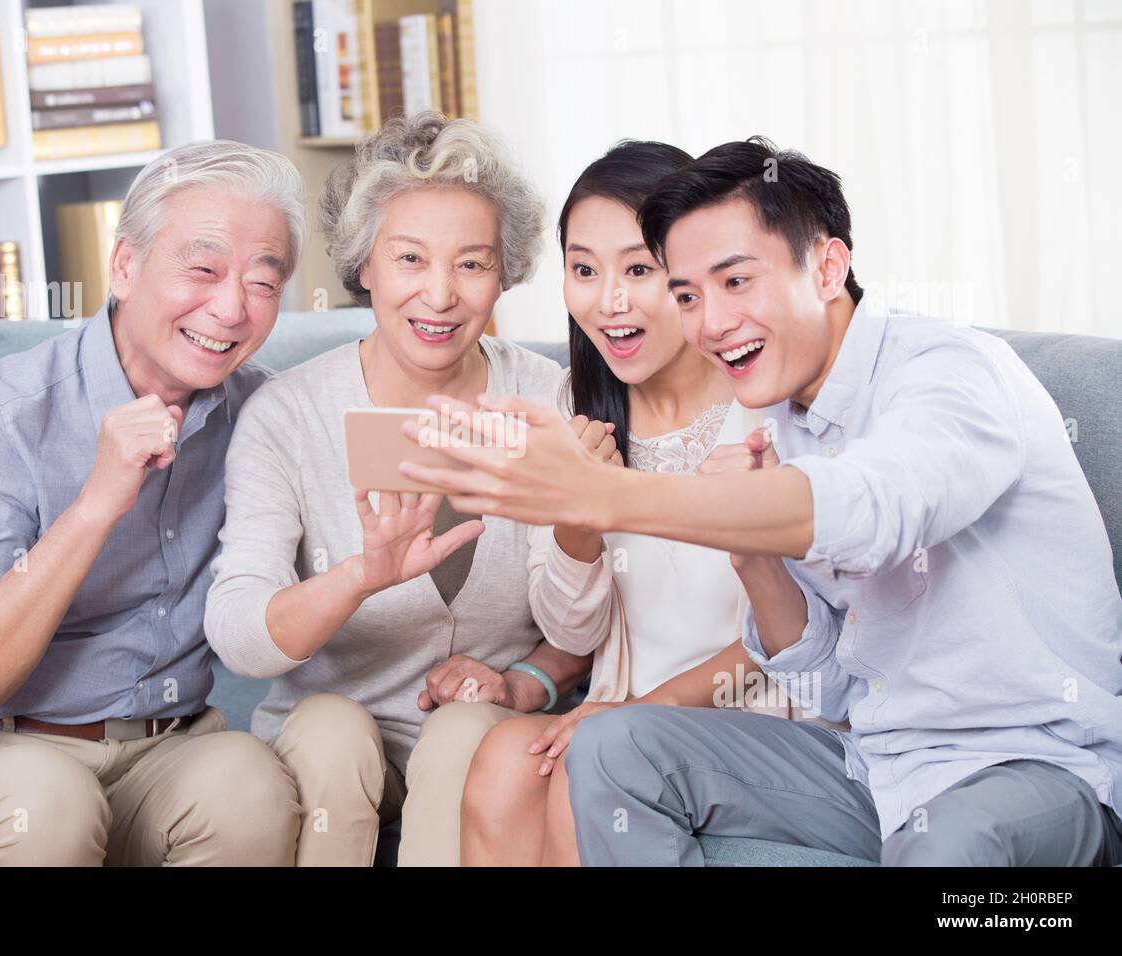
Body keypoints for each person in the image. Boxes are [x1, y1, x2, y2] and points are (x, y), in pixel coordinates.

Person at [404, 136, 1122, 866]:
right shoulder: (786, 420)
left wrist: (609, 496)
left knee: (954, 842)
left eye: (736, 281)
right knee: (612, 746)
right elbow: (830, 688)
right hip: (875, 763)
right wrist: (754, 562)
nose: (710, 323)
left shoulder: (949, 372)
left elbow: (876, 505)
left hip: (1029, 764)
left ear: (828, 266)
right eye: (688, 295)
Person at [0, 141, 310, 866]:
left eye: (263, 282)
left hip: (155, 760)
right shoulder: (7, 413)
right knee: (45, 799)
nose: (230, 307)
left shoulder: (263, 415)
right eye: (204, 269)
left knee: (249, 784)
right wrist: (97, 503)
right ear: (125, 265)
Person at [204, 112, 592, 867]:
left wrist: (523, 680)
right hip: (332, 752)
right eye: (410, 258)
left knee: (461, 726)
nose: (440, 295)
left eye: (472, 264)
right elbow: (240, 636)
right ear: (366, 266)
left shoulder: (552, 404)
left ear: (505, 272)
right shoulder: (286, 414)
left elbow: (591, 623)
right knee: (330, 728)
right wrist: (360, 577)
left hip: (484, 733)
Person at [460, 140, 792, 867]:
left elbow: (793, 640)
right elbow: (569, 630)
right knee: (501, 761)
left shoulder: (764, 411)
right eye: (583, 270)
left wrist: (639, 716)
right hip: (615, 707)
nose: (607, 302)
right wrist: (577, 516)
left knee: (584, 770)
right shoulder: (572, 404)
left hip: (753, 719)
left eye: (638, 269)